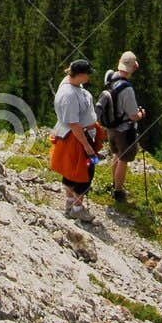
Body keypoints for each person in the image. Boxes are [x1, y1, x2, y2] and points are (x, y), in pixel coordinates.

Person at [50, 58, 104, 221]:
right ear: (79, 75)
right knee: (86, 171)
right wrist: (88, 147)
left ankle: (70, 202)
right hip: (76, 138)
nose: (89, 78)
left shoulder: (69, 84)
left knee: (70, 170)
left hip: (70, 136)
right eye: (87, 74)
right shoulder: (69, 95)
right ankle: (77, 208)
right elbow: (74, 124)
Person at [101, 50, 145, 202]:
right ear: (132, 68)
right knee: (123, 159)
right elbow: (133, 115)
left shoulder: (110, 78)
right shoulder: (127, 89)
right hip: (124, 131)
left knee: (116, 154)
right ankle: (118, 191)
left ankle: (114, 184)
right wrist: (141, 115)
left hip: (111, 128)